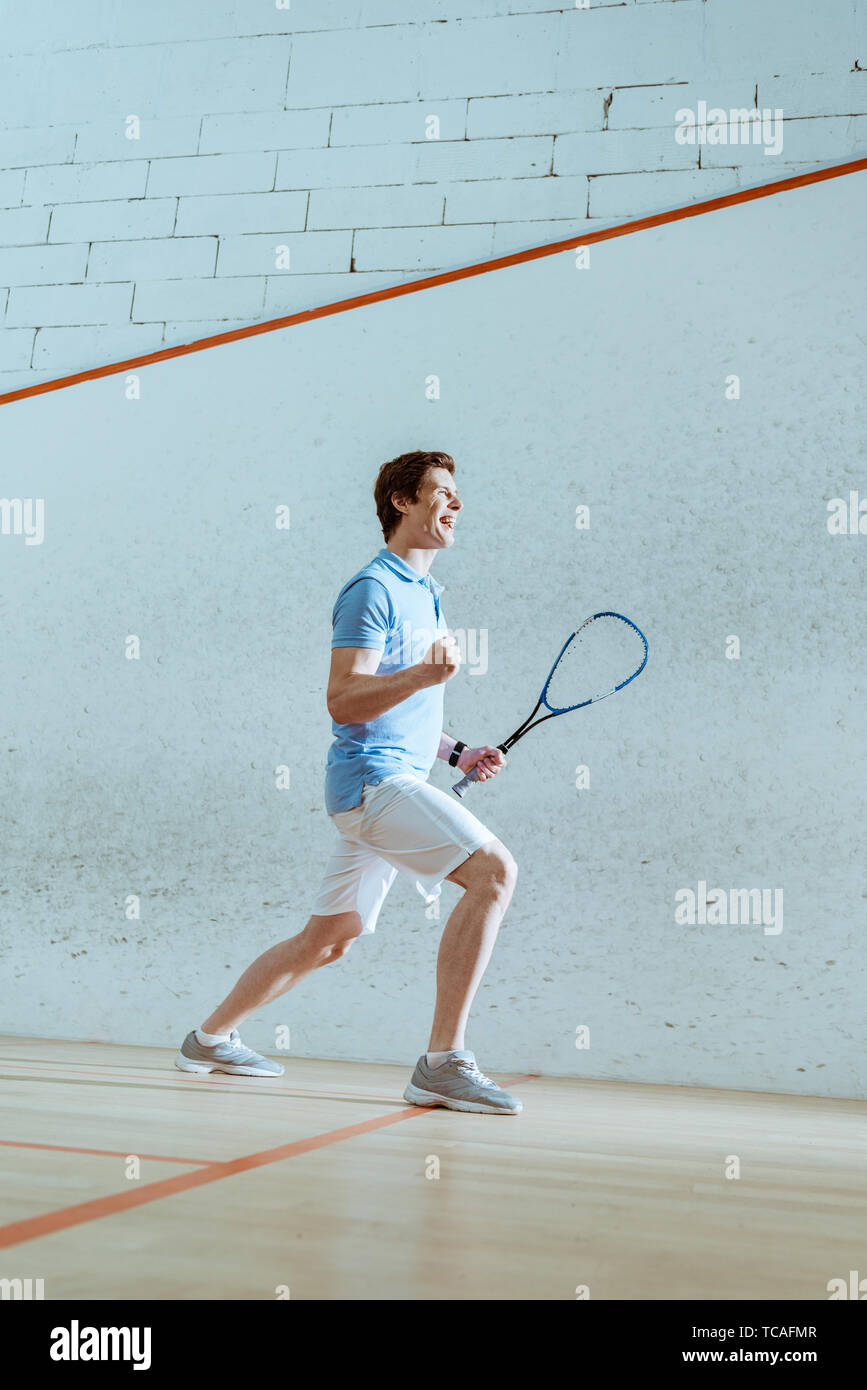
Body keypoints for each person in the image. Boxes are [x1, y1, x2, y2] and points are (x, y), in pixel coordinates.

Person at [175, 450, 521, 1114]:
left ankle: (208, 1039)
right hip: (373, 784)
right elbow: (343, 699)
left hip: (388, 780)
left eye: (456, 495)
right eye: (441, 493)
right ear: (402, 502)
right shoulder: (374, 588)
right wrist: (423, 675)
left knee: (331, 937)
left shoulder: (426, 593)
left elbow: (401, 711)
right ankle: (442, 1064)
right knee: (493, 874)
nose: (455, 504)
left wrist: (455, 753)